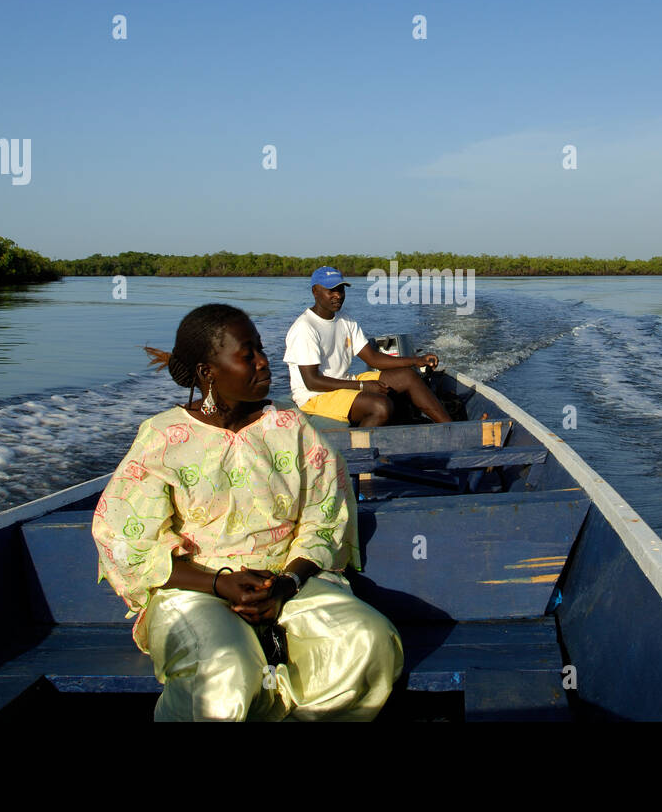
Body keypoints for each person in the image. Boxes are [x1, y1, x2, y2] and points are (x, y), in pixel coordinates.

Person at [91, 303, 404, 721]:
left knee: (369, 641)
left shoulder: (291, 428)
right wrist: (221, 584)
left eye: (260, 349)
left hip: (290, 579)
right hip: (194, 589)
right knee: (224, 674)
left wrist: (286, 583)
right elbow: (125, 540)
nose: (263, 362)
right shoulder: (163, 437)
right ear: (208, 373)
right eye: (247, 355)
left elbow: (325, 517)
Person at [283, 266, 453, 428]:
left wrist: (416, 361)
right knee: (380, 406)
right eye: (331, 290)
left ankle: (451, 428)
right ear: (315, 291)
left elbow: (373, 358)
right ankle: (358, 450)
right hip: (315, 396)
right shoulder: (305, 328)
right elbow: (312, 382)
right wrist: (363, 386)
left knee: (408, 376)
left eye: (341, 290)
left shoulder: (345, 320)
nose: (338, 295)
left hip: (343, 382)